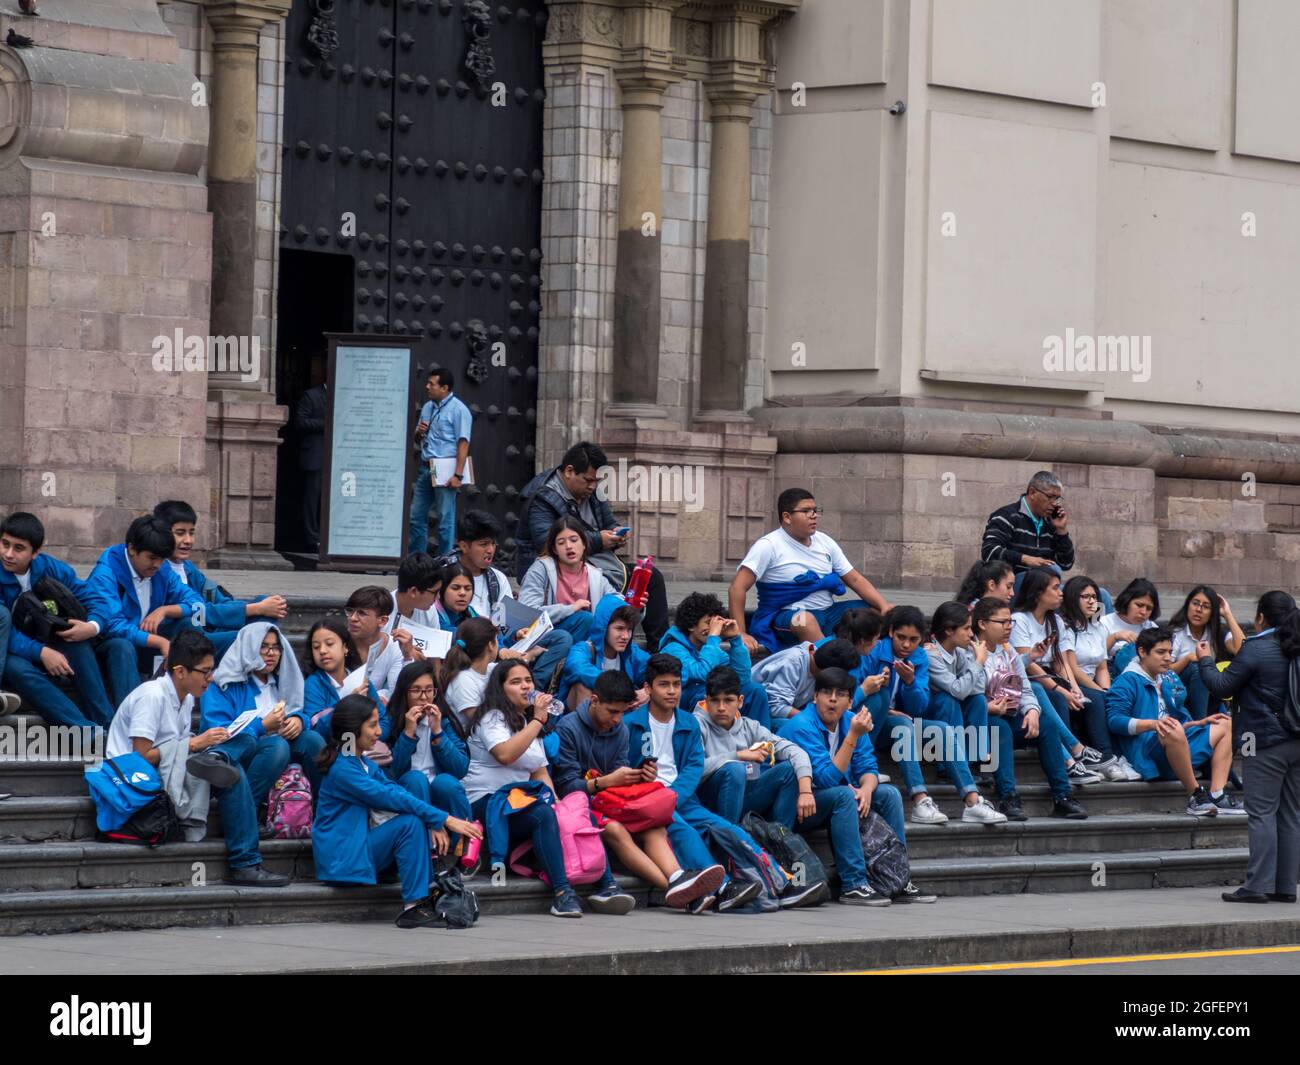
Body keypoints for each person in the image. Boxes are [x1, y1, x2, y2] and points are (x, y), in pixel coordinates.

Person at [105, 629, 289, 886]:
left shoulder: (187, 697)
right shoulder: (152, 696)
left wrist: (195, 746)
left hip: (169, 769)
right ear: (180, 671)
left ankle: (218, 758)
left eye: (212, 670)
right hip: (137, 783)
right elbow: (139, 758)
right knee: (230, 771)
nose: (211, 679)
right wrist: (193, 743)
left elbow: (176, 749)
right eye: (205, 671)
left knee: (251, 748)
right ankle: (245, 863)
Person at [552, 669, 726, 909]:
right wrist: (606, 782)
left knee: (654, 826)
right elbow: (566, 786)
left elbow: (620, 772)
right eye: (612, 711)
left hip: (612, 800)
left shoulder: (620, 729)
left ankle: (678, 878)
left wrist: (638, 777)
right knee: (615, 830)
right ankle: (677, 891)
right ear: (594, 701)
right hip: (581, 804)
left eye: (622, 713)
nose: (617, 719)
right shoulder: (568, 728)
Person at [313, 693, 483, 928]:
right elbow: (389, 797)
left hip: (359, 848)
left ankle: (425, 892)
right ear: (352, 729)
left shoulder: (363, 763)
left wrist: (435, 821)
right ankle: (414, 906)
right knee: (410, 823)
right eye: (372, 725)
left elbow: (398, 792)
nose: (379, 732)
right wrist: (445, 818)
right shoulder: (344, 769)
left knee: (414, 817)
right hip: (343, 858)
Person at [779, 666, 936, 905]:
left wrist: (866, 789)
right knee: (843, 794)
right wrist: (852, 737)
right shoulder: (802, 725)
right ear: (814, 697)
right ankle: (853, 883)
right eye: (826, 693)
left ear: (850, 701)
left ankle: (899, 878)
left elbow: (869, 768)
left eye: (840, 694)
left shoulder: (851, 720)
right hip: (800, 805)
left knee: (889, 794)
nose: (832, 699)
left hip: (836, 797)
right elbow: (825, 779)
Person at [623, 654, 766, 913]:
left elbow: (693, 766)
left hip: (682, 797)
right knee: (683, 831)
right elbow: (623, 768)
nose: (672, 691)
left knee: (727, 828)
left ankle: (776, 879)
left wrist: (674, 796)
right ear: (648, 688)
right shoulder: (630, 724)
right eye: (664, 684)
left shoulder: (688, 722)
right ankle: (724, 887)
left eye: (676, 684)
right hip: (647, 799)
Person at [460, 659, 593, 917]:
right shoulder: (492, 717)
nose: (525, 687)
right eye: (516, 682)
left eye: (528, 681)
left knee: (574, 812)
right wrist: (539, 720)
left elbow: (540, 771)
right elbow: (506, 755)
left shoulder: (526, 721)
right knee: (541, 814)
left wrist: (557, 803)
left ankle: (605, 884)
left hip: (519, 802)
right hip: (487, 802)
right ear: (500, 688)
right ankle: (563, 893)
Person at [1193, 591, 1300, 902]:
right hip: (1296, 740)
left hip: (1260, 740)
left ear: (1261, 617)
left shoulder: (1257, 648)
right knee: (1290, 814)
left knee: (1261, 812)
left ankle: (1257, 886)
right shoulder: (1294, 646)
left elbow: (1222, 685)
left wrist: (1204, 661)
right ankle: (1284, 887)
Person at [516, 441, 670, 650]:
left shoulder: (593, 492)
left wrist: (615, 535)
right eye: (588, 480)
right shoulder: (542, 498)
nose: (592, 486)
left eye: (596, 481)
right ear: (569, 471)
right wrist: (599, 540)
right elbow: (548, 544)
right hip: (559, 570)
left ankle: (659, 648)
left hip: (593, 564)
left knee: (649, 577)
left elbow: (608, 523)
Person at [695, 665, 839, 887]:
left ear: (740, 701)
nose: (721, 707)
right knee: (735, 769)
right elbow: (693, 769)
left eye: (728, 700)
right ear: (706, 700)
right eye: (715, 701)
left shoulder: (750, 727)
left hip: (743, 797)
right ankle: (733, 855)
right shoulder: (697, 725)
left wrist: (806, 790)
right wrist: (738, 755)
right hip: (709, 801)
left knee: (787, 770)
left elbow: (795, 751)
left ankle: (779, 848)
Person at [968, 597, 1088, 821]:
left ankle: (1062, 796)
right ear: (982, 624)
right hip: (980, 724)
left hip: (1011, 713)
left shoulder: (1008, 650)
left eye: (1010, 622)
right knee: (1000, 728)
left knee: (1048, 725)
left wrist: (1032, 711)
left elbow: (1025, 688)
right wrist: (987, 707)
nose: (1008, 627)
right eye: (1002, 622)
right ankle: (1008, 797)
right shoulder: (969, 651)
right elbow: (964, 695)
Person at [730, 487, 891, 652]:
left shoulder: (825, 542)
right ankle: (831, 665)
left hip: (828, 612)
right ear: (787, 517)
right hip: (789, 616)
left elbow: (855, 579)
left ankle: (882, 662)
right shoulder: (768, 546)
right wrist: (741, 633)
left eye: (815, 510)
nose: (813, 515)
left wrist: (884, 606)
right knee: (806, 621)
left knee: (877, 611)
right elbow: (737, 587)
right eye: (806, 511)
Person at [1107, 627, 1240, 820]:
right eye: (1160, 652)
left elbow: (1178, 720)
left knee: (1225, 722)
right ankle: (1195, 795)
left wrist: (1198, 722)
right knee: (1171, 727)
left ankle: (1217, 794)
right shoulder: (1126, 681)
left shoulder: (1168, 677)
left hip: (1176, 740)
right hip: (1147, 753)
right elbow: (1115, 721)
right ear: (1142, 652)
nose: (1168, 658)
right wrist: (1152, 724)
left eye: (1170, 652)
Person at [0, 511, 115, 728]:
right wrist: (41, 652)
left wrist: (92, 627)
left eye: (18, 548)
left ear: (36, 552)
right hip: (9, 652)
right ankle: (86, 732)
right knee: (17, 669)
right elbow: (4, 631)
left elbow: (95, 599)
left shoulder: (50, 569)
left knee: (78, 645)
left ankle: (108, 726)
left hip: (47, 641)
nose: (8, 553)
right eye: (4, 544)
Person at [87, 514, 210, 707]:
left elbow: (197, 604)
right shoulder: (106, 574)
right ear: (132, 549)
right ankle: (135, 716)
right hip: (111, 650)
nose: (157, 565)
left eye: (161, 559)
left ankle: (187, 700)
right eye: (152, 558)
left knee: (187, 625)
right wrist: (159, 641)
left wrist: (165, 610)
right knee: (121, 646)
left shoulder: (161, 569)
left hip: (146, 644)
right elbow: (113, 625)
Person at [201, 623, 325, 804]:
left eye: (276, 647)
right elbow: (218, 732)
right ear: (248, 648)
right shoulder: (224, 683)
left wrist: (299, 720)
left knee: (312, 740)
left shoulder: (284, 681)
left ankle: (320, 809)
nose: (271, 653)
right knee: (276, 746)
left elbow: (299, 711)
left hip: (280, 749)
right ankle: (248, 808)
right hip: (245, 755)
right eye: (263, 646)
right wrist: (263, 726)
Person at [1009, 570, 1109, 784]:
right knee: (1057, 698)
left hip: (1051, 675)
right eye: (1055, 588)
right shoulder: (1019, 620)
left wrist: (1074, 688)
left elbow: (1060, 661)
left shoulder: (1055, 620)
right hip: (1028, 677)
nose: (1061, 593)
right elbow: (1027, 664)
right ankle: (1072, 753)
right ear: (1038, 593)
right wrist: (1062, 690)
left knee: (1091, 698)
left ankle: (1099, 756)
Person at [152, 501, 288, 650]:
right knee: (252, 637)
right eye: (180, 533)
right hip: (188, 641)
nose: (188, 540)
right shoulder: (157, 570)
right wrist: (254, 609)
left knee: (263, 611)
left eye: (191, 533)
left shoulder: (188, 568)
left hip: (208, 629)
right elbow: (199, 611)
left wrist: (259, 606)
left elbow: (219, 600)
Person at [922, 603, 1010, 824]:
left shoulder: (961, 652)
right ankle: (944, 767)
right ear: (949, 630)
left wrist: (974, 659)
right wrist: (979, 661)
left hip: (953, 711)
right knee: (948, 698)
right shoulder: (931, 654)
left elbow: (977, 689)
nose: (971, 634)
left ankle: (975, 760)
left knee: (978, 701)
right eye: (966, 628)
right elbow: (958, 690)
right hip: (929, 717)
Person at [384, 661, 474, 864]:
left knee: (447, 783)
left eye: (429, 690)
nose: (424, 697)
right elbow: (393, 772)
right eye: (416, 691)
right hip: (408, 791)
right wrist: (408, 733)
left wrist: (438, 732)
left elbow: (460, 768)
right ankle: (424, 849)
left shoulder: (444, 722)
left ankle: (461, 851)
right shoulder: (391, 721)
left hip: (438, 791)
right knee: (416, 779)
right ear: (404, 693)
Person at [438, 561, 571, 691]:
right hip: (482, 662)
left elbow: (497, 639)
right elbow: (468, 637)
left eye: (468, 589)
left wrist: (515, 637)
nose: (462, 593)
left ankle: (533, 687)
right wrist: (503, 651)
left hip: (498, 652)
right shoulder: (436, 614)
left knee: (560, 638)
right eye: (455, 588)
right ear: (441, 590)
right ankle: (529, 691)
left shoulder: (471, 612)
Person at [1059, 576, 1142, 781]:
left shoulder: (1099, 627)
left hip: (1092, 683)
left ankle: (1122, 758)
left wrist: (1106, 689)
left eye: (1094, 597)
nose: (1091, 601)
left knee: (1113, 700)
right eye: (1085, 596)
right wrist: (1099, 690)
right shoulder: (1065, 626)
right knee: (1098, 699)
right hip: (1071, 682)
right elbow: (1071, 667)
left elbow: (1102, 666)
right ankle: (1107, 759)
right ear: (1072, 598)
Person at [658, 592, 769, 728]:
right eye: (707, 623)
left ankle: (761, 743)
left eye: (714, 623)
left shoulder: (711, 648)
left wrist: (736, 640)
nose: (712, 628)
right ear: (691, 626)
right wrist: (713, 637)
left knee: (754, 691)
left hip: (713, 698)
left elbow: (741, 679)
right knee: (707, 693)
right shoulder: (673, 648)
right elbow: (701, 673)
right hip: (685, 705)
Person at [519, 516, 619, 641]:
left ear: (583, 544)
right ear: (555, 549)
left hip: (583, 642)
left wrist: (636, 605)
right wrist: (570, 609)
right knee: (584, 619)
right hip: (545, 637)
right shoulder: (541, 569)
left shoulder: (595, 575)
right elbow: (526, 612)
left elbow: (616, 602)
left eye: (574, 540)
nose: (568, 546)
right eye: (561, 543)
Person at [409, 368, 472, 556]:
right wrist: (419, 432)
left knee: (445, 519)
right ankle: (417, 559)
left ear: (444, 388)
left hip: (445, 469)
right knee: (416, 517)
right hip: (426, 466)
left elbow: (463, 443)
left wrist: (458, 475)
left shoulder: (459, 410)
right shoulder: (428, 407)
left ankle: (446, 561)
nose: (427, 387)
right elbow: (416, 436)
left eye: (432, 384)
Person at [1166, 585, 1245, 719]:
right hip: (1178, 690)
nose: (1198, 609)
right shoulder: (1176, 633)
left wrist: (1227, 614)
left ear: (1213, 612)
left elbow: (1242, 649)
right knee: (1198, 668)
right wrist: (1187, 659)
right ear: (1188, 606)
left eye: (1206, 606)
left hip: (1210, 693)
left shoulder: (1216, 633)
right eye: (1195, 604)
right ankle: (1201, 722)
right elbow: (1164, 671)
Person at [751, 634, 861, 729]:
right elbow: (775, 707)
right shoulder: (793, 663)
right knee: (802, 727)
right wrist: (813, 721)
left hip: (787, 709)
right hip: (755, 711)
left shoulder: (821, 665)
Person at [560, 594, 649, 708]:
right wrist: (620, 687)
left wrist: (647, 691)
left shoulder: (631, 652)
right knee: (583, 687)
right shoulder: (583, 649)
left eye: (629, 629)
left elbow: (657, 671)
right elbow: (578, 668)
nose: (626, 636)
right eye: (619, 629)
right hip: (581, 720)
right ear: (604, 628)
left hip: (620, 719)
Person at [301, 618, 382, 736]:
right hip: (335, 750)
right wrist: (349, 705)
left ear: (345, 647)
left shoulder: (360, 679)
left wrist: (369, 738)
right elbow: (317, 730)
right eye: (316, 647)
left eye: (329, 644)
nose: (322, 651)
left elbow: (383, 719)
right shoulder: (312, 684)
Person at [344, 585, 409, 701]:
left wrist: (408, 657)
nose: (353, 618)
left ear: (383, 621)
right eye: (350, 611)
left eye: (362, 613)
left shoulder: (394, 647)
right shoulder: (337, 641)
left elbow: (396, 691)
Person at [440, 617, 499, 729]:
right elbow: (482, 723)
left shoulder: (490, 668)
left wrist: (531, 654)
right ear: (490, 645)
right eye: (496, 640)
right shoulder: (463, 680)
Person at [454, 510, 513, 619]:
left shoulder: (499, 579)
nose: (490, 550)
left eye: (493, 543)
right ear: (464, 546)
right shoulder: (446, 577)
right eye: (484, 544)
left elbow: (505, 624)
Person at [292, 370, 326, 553]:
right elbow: (300, 422)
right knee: (312, 499)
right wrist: (325, 424)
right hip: (315, 455)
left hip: (340, 458)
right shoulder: (311, 395)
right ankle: (312, 538)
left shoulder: (345, 395)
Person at [1099, 578, 1160, 673]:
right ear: (1127, 601)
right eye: (1139, 605)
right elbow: (1094, 656)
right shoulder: (1105, 623)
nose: (1143, 612)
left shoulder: (1151, 627)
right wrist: (1115, 637)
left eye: (1149, 608)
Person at [381, 551, 443, 642]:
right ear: (413, 591)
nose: (438, 597)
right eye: (434, 592)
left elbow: (437, 650)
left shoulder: (430, 611)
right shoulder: (380, 612)